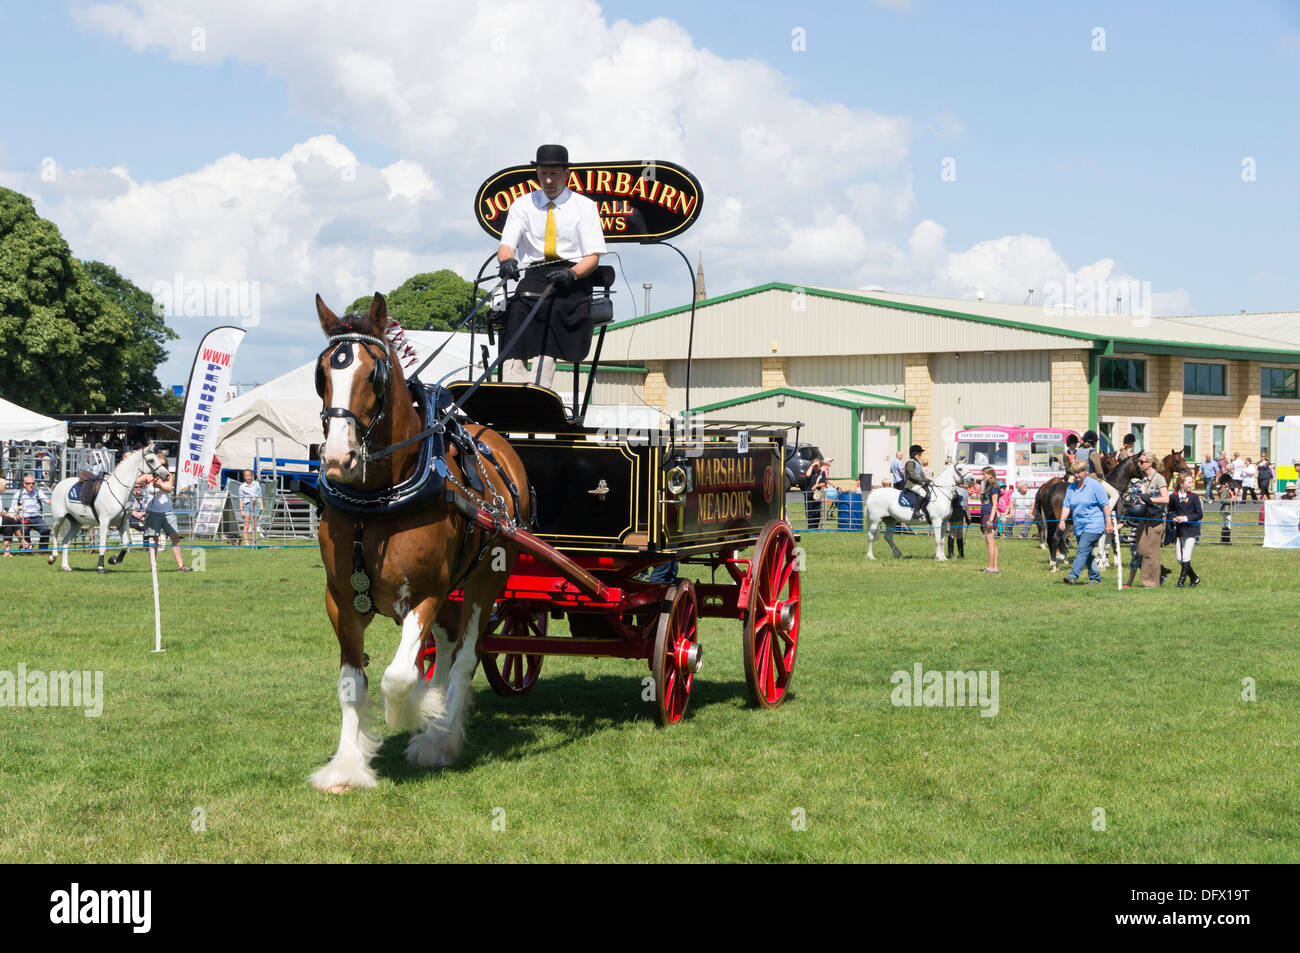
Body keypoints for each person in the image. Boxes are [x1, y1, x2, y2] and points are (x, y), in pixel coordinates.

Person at [496, 144, 608, 391]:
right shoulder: (522, 205)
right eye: (543, 173)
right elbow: (506, 246)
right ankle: (510, 383)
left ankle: (538, 383)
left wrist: (571, 273)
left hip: (573, 276)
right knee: (516, 307)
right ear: (536, 172)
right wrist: (507, 262)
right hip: (535, 273)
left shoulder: (583, 206)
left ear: (566, 174)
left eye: (554, 174)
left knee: (552, 306)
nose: (548, 180)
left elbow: (592, 257)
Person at [1058, 460, 1115, 585]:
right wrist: (1062, 520)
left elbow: (1105, 505)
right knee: (1087, 553)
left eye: (1079, 472)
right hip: (1079, 525)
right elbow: (1067, 505)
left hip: (1094, 523)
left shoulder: (1095, 486)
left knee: (1082, 549)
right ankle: (1095, 578)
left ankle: (1073, 575)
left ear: (1086, 472)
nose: (1077, 475)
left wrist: (1108, 522)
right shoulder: (1071, 488)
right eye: (1075, 472)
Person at [143, 453, 192, 572]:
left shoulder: (169, 476)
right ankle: (152, 567)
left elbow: (169, 489)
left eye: (164, 464)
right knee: (153, 540)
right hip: (153, 512)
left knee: (175, 537)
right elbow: (135, 481)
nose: (163, 466)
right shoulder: (148, 476)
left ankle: (181, 566)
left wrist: (158, 486)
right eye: (160, 464)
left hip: (168, 512)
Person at [1130, 451, 1171, 588]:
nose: (1139, 464)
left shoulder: (1159, 478)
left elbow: (1166, 499)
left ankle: (1152, 583)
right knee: (1141, 550)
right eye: (1139, 462)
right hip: (1144, 518)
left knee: (1151, 552)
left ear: (1149, 463)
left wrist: (1150, 499)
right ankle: (1160, 573)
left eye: (1141, 462)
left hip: (1156, 519)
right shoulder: (1143, 479)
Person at [1165, 474, 1203, 587]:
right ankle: (1194, 577)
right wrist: (1173, 518)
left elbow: (1199, 514)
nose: (1191, 484)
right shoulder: (1173, 496)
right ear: (1181, 484)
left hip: (1191, 530)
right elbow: (1170, 511)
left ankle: (1180, 582)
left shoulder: (1194, 497)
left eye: (1192, 482)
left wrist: (1185, 518)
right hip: (1179, 531)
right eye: (1189, 482)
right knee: (1179, 559)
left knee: (1186, 557)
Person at [9, 473, 51, 555]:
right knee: (23, 530)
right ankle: (27, 550)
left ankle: (42, 551)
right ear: (24, 484)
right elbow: (12, 508)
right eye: (29, 483)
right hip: (24, 518)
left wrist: (58, 499)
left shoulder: (38, 492)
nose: (31, 485)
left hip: (37, 517)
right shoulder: (18, 494)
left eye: (33, 483)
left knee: (46, 530)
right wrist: (16, 514)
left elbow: (48, 501)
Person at [901, 444, 932, 524]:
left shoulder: (917, 463)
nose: (920, 455)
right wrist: (923, 481)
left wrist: (928, 480)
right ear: (913, 454)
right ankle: (916, 512)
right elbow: (912, 475)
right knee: (923, 493)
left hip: (917, 483)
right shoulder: (910, 463)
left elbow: (921, 474)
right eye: (918, 454)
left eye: (920, 454)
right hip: (911, 484)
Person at [978, 466, 1000, 573]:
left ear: (990, 474)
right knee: (991, 542)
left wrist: (991, 519)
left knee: (990, 542)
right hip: (984, 513)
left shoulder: (994, 487)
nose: (983, 476)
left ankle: (991, 568)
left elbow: (995, 504)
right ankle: (995, 567)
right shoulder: (986, 486)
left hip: (989, 515)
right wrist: (981, 491)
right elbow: (982, 500)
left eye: (984, 474)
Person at [239, 470, 264, 547]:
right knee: (246, 524)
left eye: (249, 475)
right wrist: (241, 510)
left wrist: (261, 506)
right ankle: (246, 542)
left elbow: (260, 496)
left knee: (254, 524)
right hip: (246, 505)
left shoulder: (256, 484)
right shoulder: (242, 486)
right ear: (244, 477)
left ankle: (254, 541)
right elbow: (241, 499)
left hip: (255, 505)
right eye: (246, 476)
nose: (248, 477)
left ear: (252, 476)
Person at [805, 457, 829, 529]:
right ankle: (810, 527)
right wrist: (812, 466)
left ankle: (815, 527)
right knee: (809, 512)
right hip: (809, 495)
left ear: (820, 466)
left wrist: (816, 485)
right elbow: (807, 475)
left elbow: (824, 483)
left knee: (817, 512)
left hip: (817, 495)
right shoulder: (810, 471)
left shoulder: (822, 473)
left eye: (817, 465)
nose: (816, 467)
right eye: (815, 465)